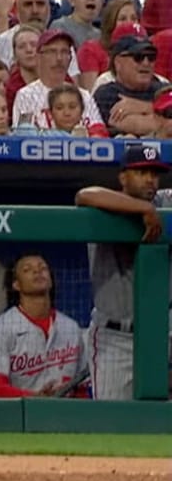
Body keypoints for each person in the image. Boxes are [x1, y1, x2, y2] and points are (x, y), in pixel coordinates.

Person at [73, 143, 172, 401]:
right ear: (123, 177)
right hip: (114, 337)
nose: (150, 179)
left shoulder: (164, 201)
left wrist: (152, 208)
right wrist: (144, 210)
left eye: (154, 173)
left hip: (162, 333)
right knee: (112, 422)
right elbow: (85, 194)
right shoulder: (105, 206)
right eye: (141, 172)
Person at [0, 254, 89, 398]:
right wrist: (35, 398)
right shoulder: (1, 327)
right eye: (27, 269)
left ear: (51, 281)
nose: (37, 271)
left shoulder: (71, 327)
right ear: (16, 284)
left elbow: (80, 390)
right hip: (19, 415)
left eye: (43, 268)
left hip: (63, 415)